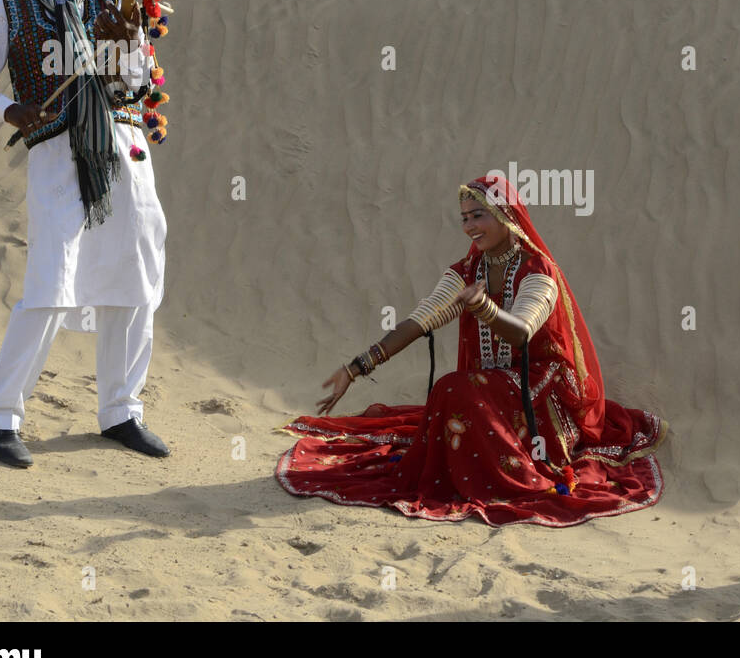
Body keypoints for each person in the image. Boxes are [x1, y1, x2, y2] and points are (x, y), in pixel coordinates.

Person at [276, 175, 666, 526]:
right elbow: (419, 321)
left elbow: (521, 333)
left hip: (540, 391)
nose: (469, 227)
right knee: (455, 392)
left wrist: (484, 308)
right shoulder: (468, 271)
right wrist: (356, 367)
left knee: (454, 390)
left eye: (478, 215)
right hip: (489, 388)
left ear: (505, 215)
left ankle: (504, 477)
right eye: (464, 218)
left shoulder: (538, 271)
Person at [0, 0, 169, 468]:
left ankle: (121, 412)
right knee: (51, 285)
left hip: (123, 149)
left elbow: (138, 84)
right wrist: (9, 109)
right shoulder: (9, 9)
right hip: (55, 155)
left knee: (137, 278)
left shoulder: (113, 2)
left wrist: (129, 49)